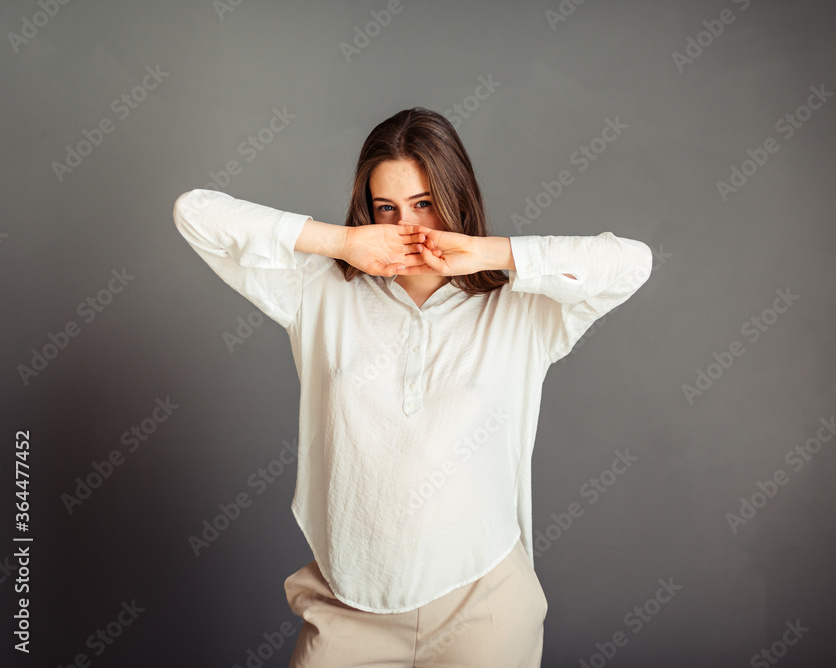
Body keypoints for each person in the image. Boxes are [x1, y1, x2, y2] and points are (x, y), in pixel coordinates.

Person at [172, 107, 653, 667]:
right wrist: (341, 243)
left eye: (424, 203)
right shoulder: (319, 290)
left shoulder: (522, 307)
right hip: (349, 604)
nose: (408, 226)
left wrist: (491, 252)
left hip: (484, 606)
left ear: (456, 196)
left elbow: (632, 262)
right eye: (386, 208)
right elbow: (195, 212)